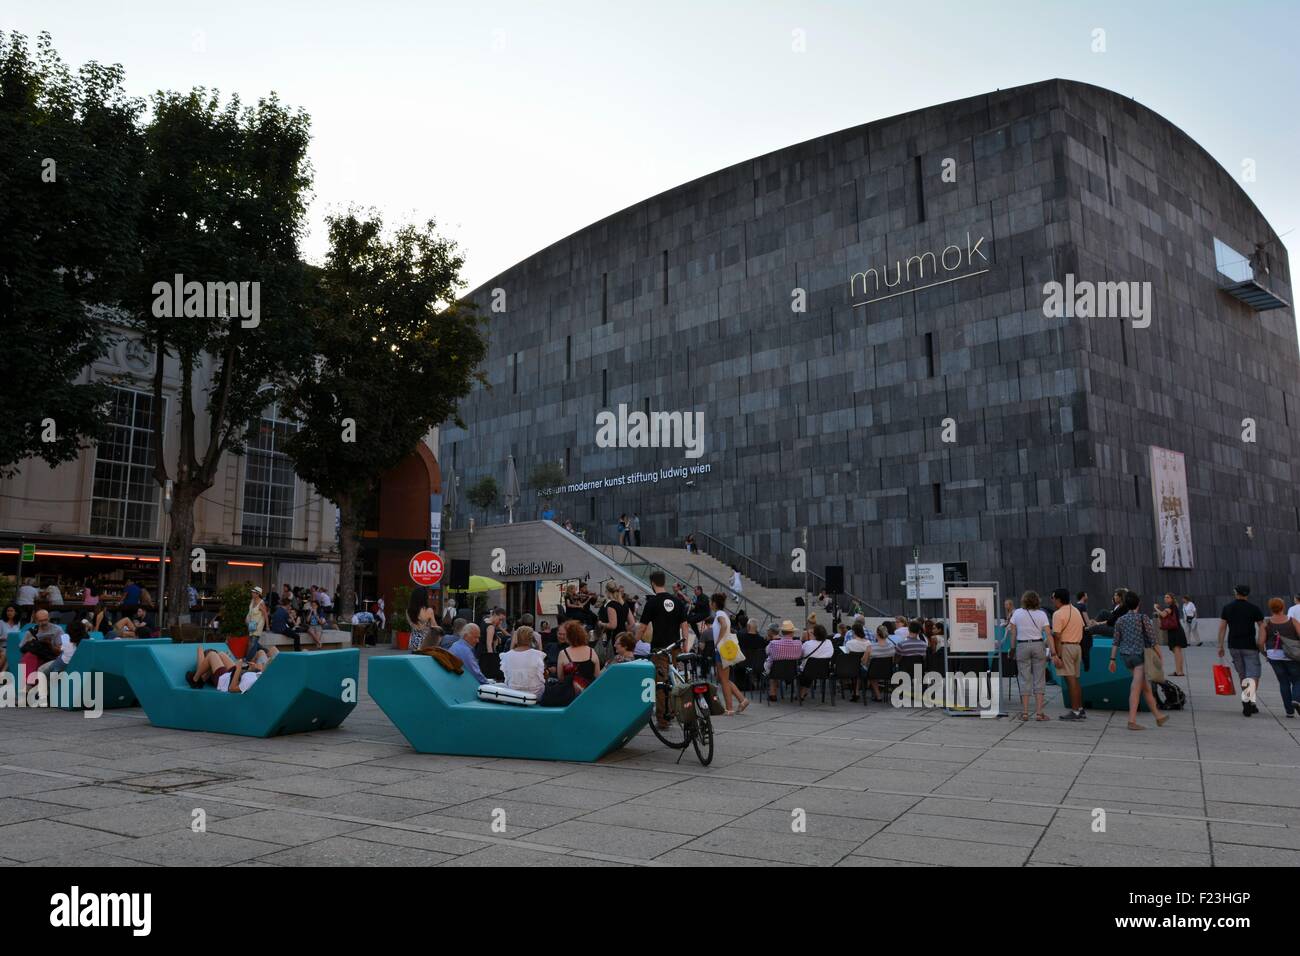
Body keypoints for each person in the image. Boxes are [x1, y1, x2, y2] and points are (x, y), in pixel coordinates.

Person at [635, 570, 691, 726]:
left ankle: (663, 718)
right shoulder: (677, 601)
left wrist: (634, 642)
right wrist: (685, 644)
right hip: (675, 647)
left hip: (659, 648)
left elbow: (642, 627)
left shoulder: (652, 602)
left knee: (660, 683)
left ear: (652, 583)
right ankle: (673, 711)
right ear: (664, 582)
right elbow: (684, 625)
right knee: (673, 680)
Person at [1109, 591, 1167, 731]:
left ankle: (1158, 716)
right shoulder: (1143, 618)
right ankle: (1132, 721)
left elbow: (1116, 642)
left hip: (1125, 657)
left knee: (1145, 687)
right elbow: (1153, 639)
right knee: (1136, 689)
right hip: (1139, 657)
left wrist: (1112, 659)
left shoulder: (1120, 620)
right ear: (1138, 603)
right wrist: (1160, 656)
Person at [1218, 584, 1266, 716]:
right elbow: (1262, 626)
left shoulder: (1227, 608)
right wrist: (1261, 644)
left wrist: (1220, 645)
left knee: (1243, 675)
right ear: (1247, 594)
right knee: (1254, 675)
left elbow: (1222, 627)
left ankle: (1250, 702)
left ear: (1235, 592)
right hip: (1250, 645)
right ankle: (1248, 700)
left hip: (1234, 645)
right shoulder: (1254, 609)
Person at [1008, 591, 1054, 722]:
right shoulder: (1042, 614)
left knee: (1024, 679)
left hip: (1022, 646)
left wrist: (1012, 649)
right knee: (1039, 679)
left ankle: (1025, 713)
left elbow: (1013, 633)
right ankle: (1039, 713)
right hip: (1038, 645)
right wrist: (1053, 651)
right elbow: (1048, 634)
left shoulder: (1017, 613)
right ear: (1037, 601)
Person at [1050, 588, 1087, 720]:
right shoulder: (1076, 610)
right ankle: (1080, 709)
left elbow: (1057, 636)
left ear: (1059, 599)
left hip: (1066, 648)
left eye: (1053, 598)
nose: (1052, 600)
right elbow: (1082, 628)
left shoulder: (1058, 614)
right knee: (1076, 680)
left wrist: (1057, 656)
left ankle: (1075, 711)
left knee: (1070, 681)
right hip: (1077, 647)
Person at [708, 592, 747, 715]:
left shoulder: (719, 614)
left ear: (714, 603)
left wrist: (718, 641)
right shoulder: (724, 614)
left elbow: (724, 626)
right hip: (724, 649)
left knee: (723, 680)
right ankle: (742, 699)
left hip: (721, 649)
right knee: (723, 678)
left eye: (710, 602)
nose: (710, 604)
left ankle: (729, 708)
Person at [1262, 598, 1300, 718]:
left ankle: (1289, 711)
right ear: (1283, 607)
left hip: (1274, 655)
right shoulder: (1292, 621)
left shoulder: (1266, 623)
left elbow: (1260, 641)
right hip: (1291, 655)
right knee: (1297, 680)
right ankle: (1296, 699)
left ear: (1271, 608)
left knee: (1283, 682)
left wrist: (1265, 653)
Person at [764, 619, 805, 701]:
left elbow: (767, 652)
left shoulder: (773, 643)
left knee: (771, 666)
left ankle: (773, 694)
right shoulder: (798, 643)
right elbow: (800, 655)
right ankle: (798, 693)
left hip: (775, 672)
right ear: (792, 632)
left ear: (782, 632)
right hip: (792, 672)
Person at [556, 619, 600, 693]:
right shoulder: (591, 651)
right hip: (589, 693)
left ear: (569, 636)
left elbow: (560, 678)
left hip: (569, 695)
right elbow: (597, 676)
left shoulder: (563, 653)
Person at [500, 626, 546, 696]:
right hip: (535, 694)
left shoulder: (506, 656)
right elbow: (542, 675)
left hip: (513, 694)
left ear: (517, 638)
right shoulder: (538, 655)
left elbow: (507, 677)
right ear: (531, 639)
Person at [798, 622, 834, 701]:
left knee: (803, 670)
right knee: (811, 667)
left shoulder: (807, 644)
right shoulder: (829, 642)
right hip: (824, 670)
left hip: (808, 670)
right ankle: (802, 693)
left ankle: (801, 693)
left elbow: (801, 655)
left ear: (814, 634)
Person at [1156, 592, 1187, 676]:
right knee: (1177, 652)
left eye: (1168, 597)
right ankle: (1179, 670)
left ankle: (1179, 671)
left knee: (1177, 652)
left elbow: (1163, 614)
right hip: (1176, 630)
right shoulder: (1174, 607)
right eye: (1165, 597)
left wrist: (1156, 608)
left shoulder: (1171, 607)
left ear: (1172, 599)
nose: (1165, 598)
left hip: (1175, 631)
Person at [866, 623, 897, 702]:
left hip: (874, 672)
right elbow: (893, 660)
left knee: (870, 675)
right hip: (888, 671)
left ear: (877, 634)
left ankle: (878, 695)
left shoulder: (871, 647)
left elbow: (864, 661)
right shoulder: (892, 646)